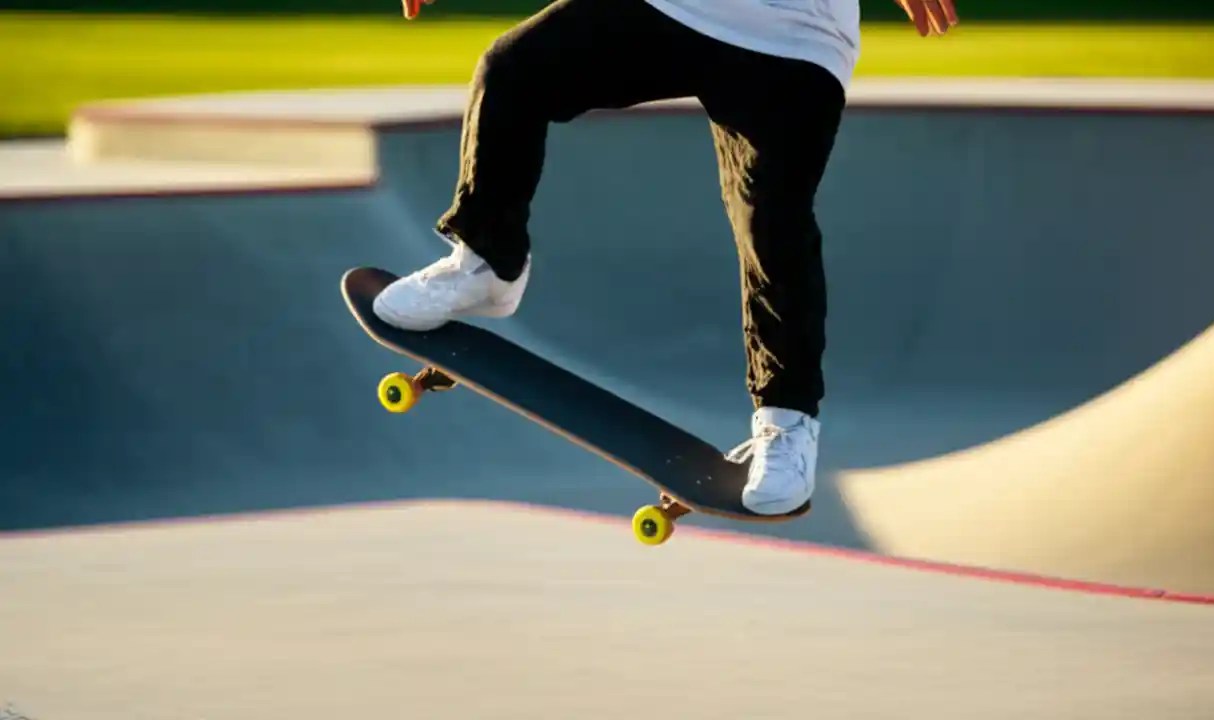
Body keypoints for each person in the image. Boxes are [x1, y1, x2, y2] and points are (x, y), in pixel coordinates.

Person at [375, 0, 959, 515]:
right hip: (671, 9)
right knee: (513, 70)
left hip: (793, 36)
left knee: (770, 216)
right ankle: (487, 262)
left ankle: (787, 422)